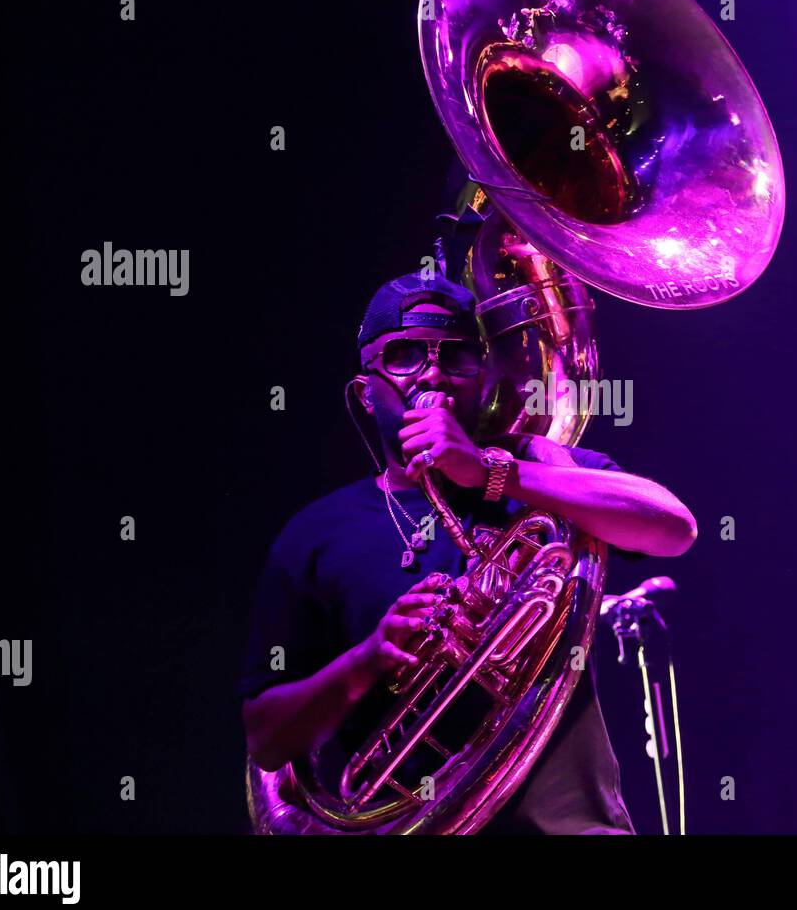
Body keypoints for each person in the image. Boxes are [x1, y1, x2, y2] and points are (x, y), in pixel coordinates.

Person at [239, 271, 696, 834]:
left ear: (485, 375)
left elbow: (673, 527)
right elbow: (266, 738)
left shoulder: (539, 473)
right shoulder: (316, 534)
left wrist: (492, 473)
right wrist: (374, 656)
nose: (432, 373)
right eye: (404, 355)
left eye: (457, 356)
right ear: (364, 390)